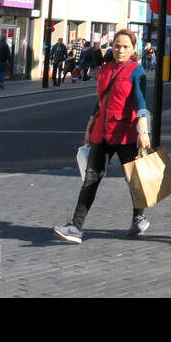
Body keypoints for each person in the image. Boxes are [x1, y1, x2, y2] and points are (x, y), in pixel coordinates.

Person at [52, 28, 150, 243]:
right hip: (102, 133)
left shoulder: (137, 71)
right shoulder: (105, 70)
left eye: (125, 47)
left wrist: (143, 129)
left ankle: (139, 217)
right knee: (91, 178)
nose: (120, 50)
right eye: (117, 46)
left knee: (133, 179)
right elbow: (101, 99)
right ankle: (76, 227)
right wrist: (90, 123)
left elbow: (141, 101)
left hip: (125, 133)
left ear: (133, 49)